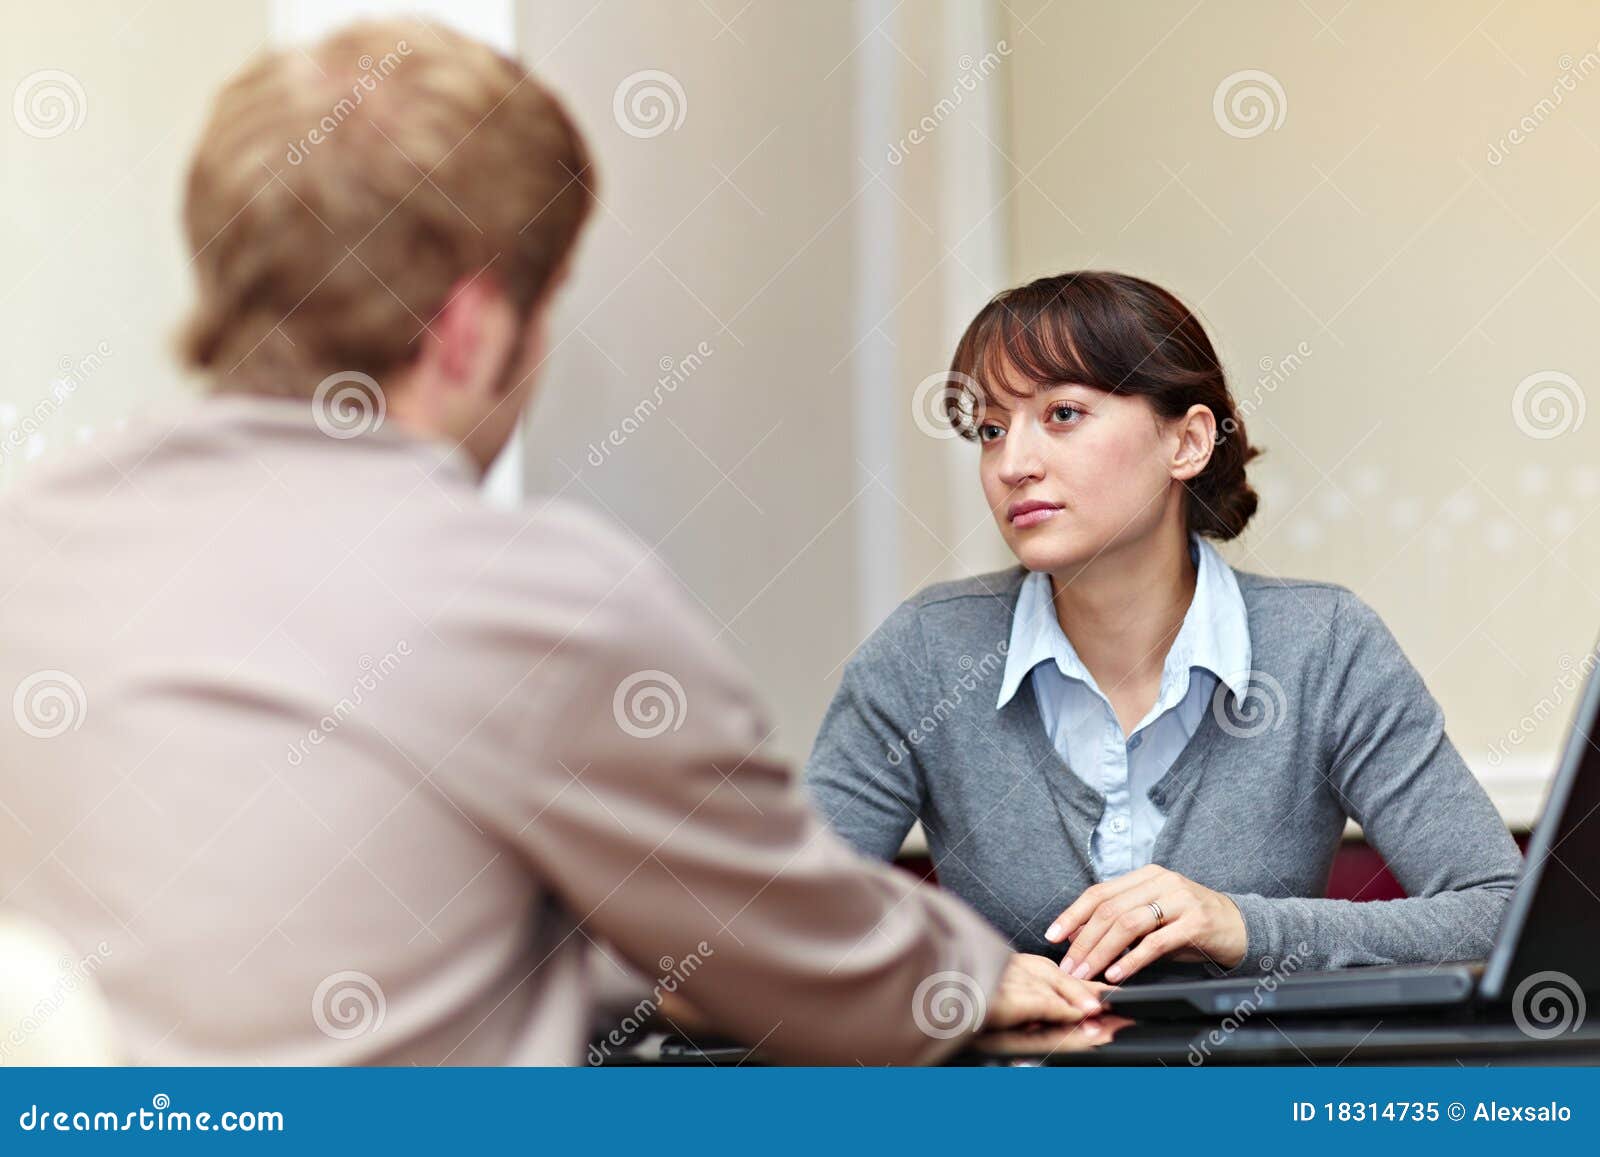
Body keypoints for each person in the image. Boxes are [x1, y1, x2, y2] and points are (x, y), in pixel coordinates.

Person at [0, 21, 1107, 1066]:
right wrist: (960, 969)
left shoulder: (30, 536)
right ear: (472, 328)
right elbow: (818, 960)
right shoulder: (525, 595)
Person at [805, 271, 1523, 985]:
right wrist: (962, 976)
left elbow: (1495, 911)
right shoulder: (928, 650)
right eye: (993, 430)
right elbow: (769, 931)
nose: (1013, 465)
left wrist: (1239, 924)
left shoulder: (1325, 644)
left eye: (1062, 414)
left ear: (1187, 442)